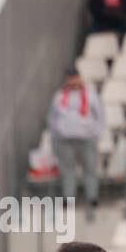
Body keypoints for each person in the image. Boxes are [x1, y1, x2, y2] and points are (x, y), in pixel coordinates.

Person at [48, 67, 104, 213]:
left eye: (75, 77)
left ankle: (92, 197)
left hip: (86, 138)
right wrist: (55, 135)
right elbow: (53, 117)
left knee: (90, 169)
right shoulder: (59, 96)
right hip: (65, 140)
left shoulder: (90, 95)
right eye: (70, 78)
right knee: (67, 171)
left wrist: (96, 134)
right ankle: (68, 198)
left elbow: (99, 115)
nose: (73, 80)